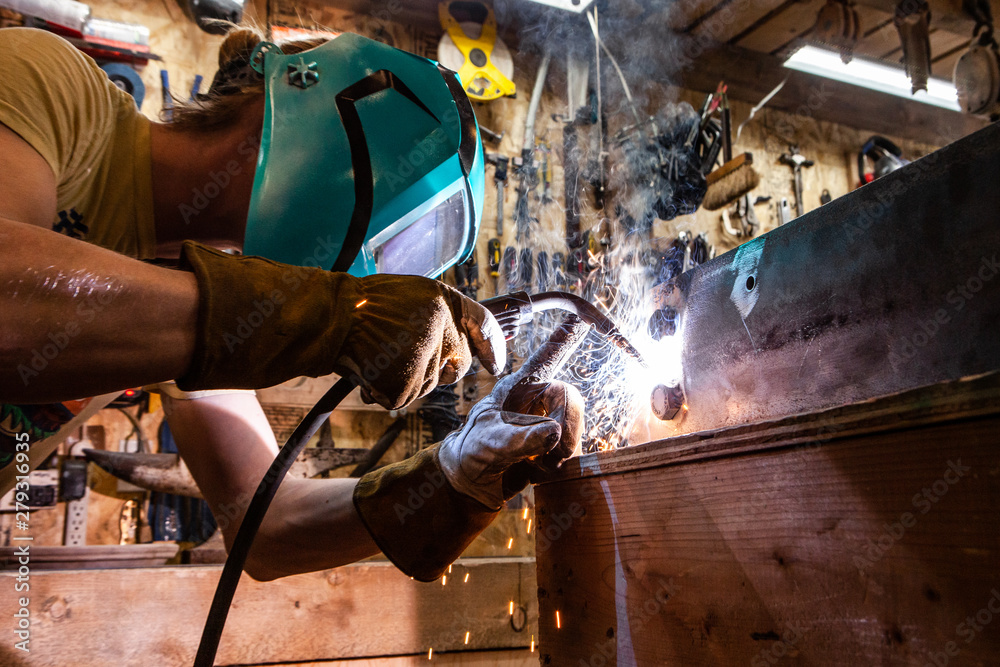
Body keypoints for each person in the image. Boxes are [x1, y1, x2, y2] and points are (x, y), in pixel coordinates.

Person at [0, 25, 584, 581]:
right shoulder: (50, 85)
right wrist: (331, 318)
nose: (359, 272)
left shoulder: (203, 300)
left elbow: (267, 524)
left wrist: (456, 474)